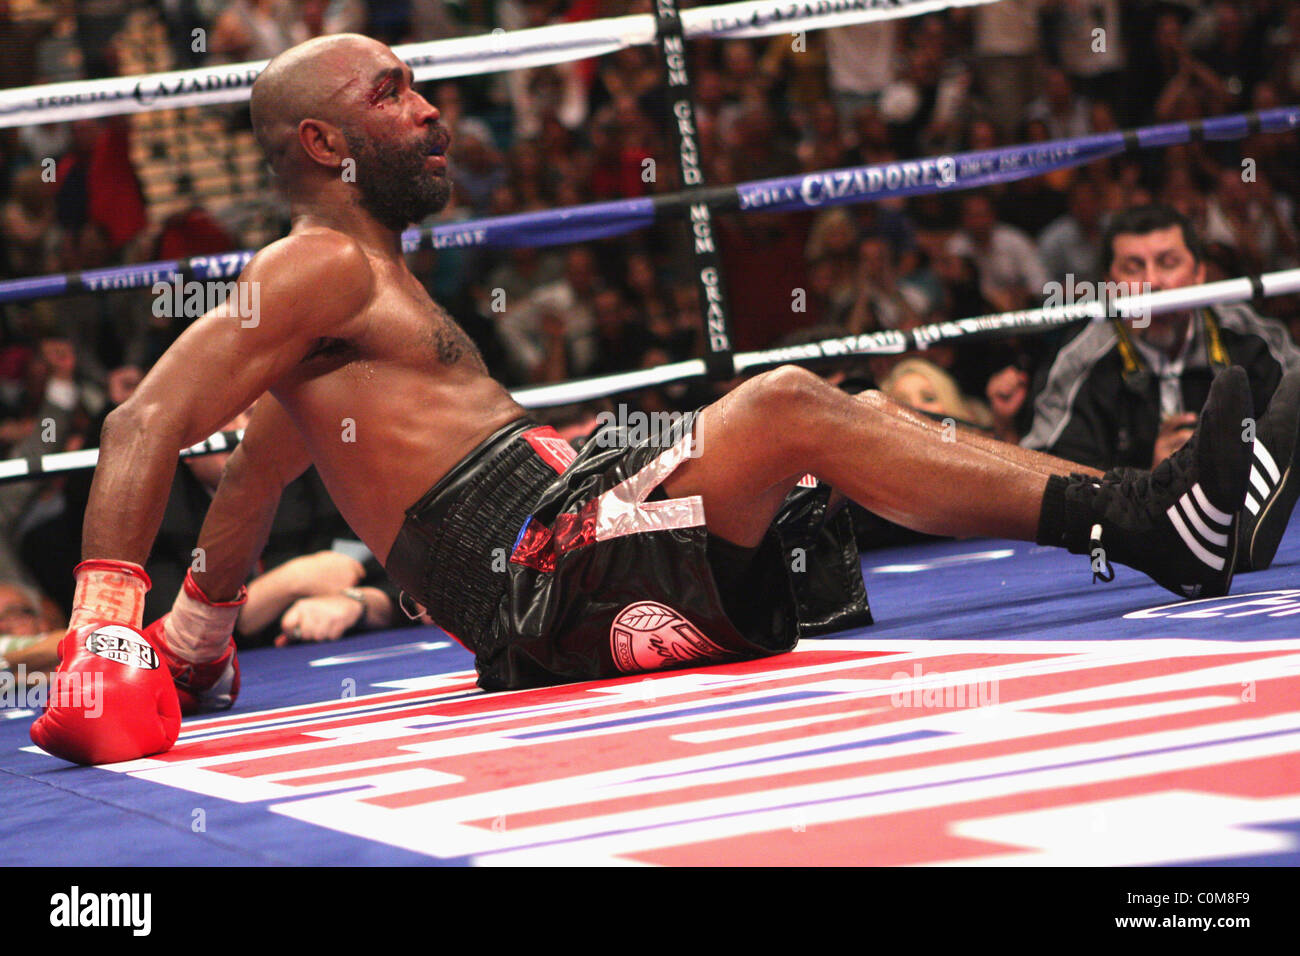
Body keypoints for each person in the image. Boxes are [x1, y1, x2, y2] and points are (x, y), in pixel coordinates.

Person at [30, 35, 1299, 767]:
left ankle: (1157, 515)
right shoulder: (312, 264)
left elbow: (257, 467)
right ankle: (1147, 524)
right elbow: (143, 422)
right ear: (322, 146)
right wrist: (101, 636)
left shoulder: (343, 302)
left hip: (551, 537)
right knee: (786, 404)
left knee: (817, 407)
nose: (431, 111)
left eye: (422, 85)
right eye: (393, 94)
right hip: (532, 561)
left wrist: (197, 631)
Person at [1021, 203, 1300, 570]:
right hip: (1123, 564)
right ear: (1109, 284)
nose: (1152, 283)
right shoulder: (1079, 363)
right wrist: (1148, 485)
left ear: (1199, 273)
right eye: (1134, 267)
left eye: (1168, 263)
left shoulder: (1252, 342)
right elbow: (1048, 479)